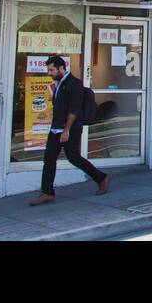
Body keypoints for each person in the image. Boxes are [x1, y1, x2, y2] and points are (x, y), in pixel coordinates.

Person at [30, 55, 109, 205]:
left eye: (52, 70)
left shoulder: (74, 84)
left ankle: (101, 178)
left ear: (61, 68)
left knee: (73, 157)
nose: (49, 73)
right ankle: (47, 192)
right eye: (48, 70)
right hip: (55, 129)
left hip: (70, 129)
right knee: (49, 159)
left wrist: (66, 130)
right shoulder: (59, 83)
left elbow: (74, 110)